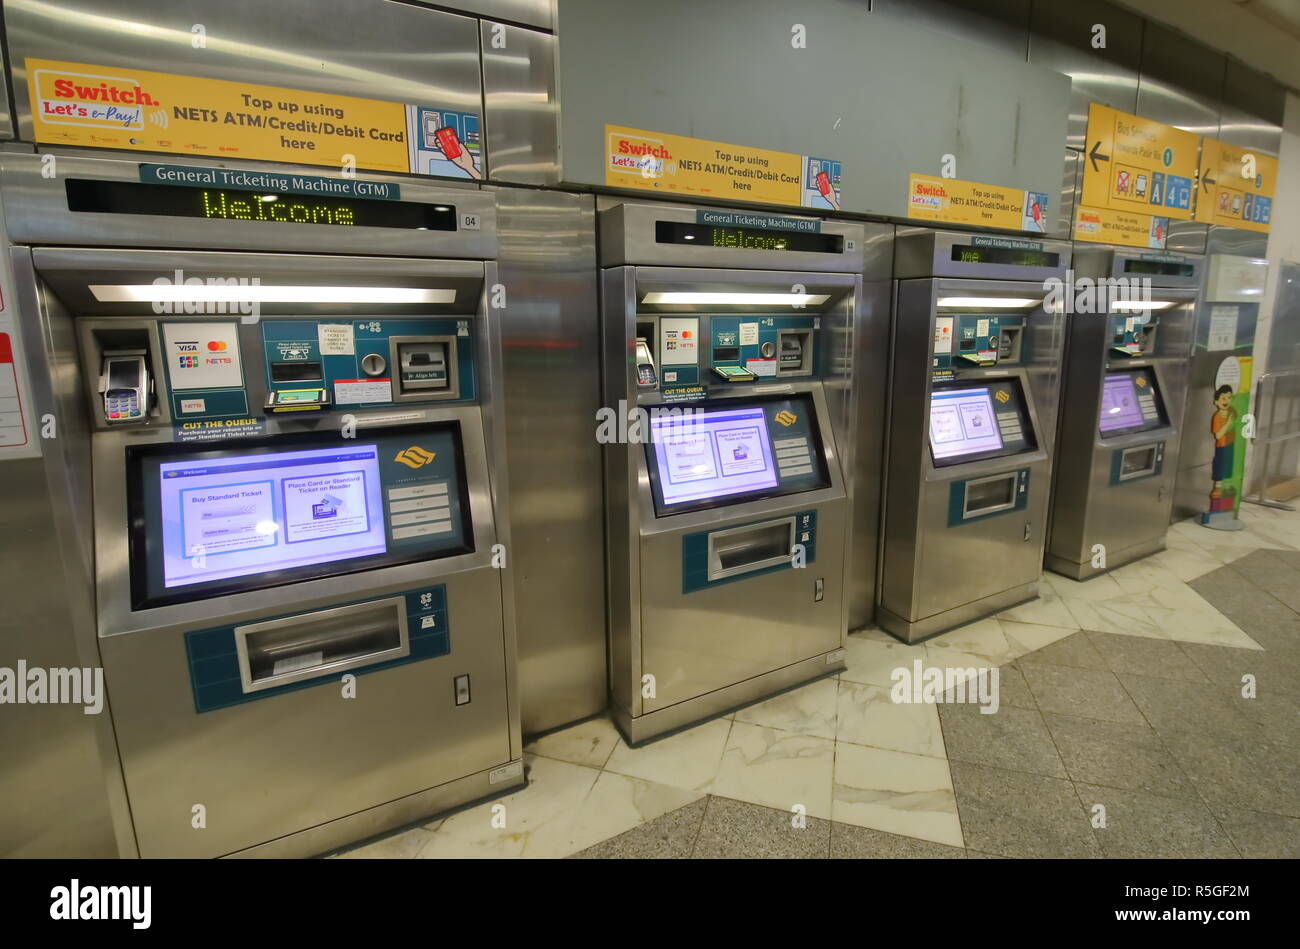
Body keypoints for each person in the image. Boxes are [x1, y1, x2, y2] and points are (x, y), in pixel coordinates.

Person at [1210, 384, 1237, 501]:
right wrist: (1227, 424)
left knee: (1228, 466)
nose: (1226, 401)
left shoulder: (1231, 412)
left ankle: (1225, 487)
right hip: (1221, 445)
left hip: (1230, 444)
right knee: (1219, 466)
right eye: (1223, 398)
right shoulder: (1217, 416)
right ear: (1216, 402)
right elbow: (1218, 435)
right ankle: (1217, 488)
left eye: (1229, 397)